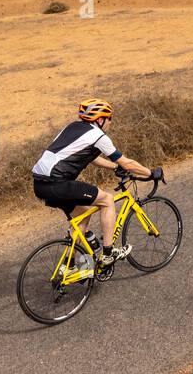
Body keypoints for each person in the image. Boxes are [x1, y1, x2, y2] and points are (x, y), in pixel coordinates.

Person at [31, 98, 162, 267]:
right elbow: (127, 163)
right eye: (109, 119)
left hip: (40, 185)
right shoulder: (98, 136)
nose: (110, 123)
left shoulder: (71, 128)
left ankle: (67, 266)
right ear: (100, 120)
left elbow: (91, 157)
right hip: (57, 183)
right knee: (107, 200)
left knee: (82, 214)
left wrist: (114, 167)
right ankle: (108, 253)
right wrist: (151, 173)